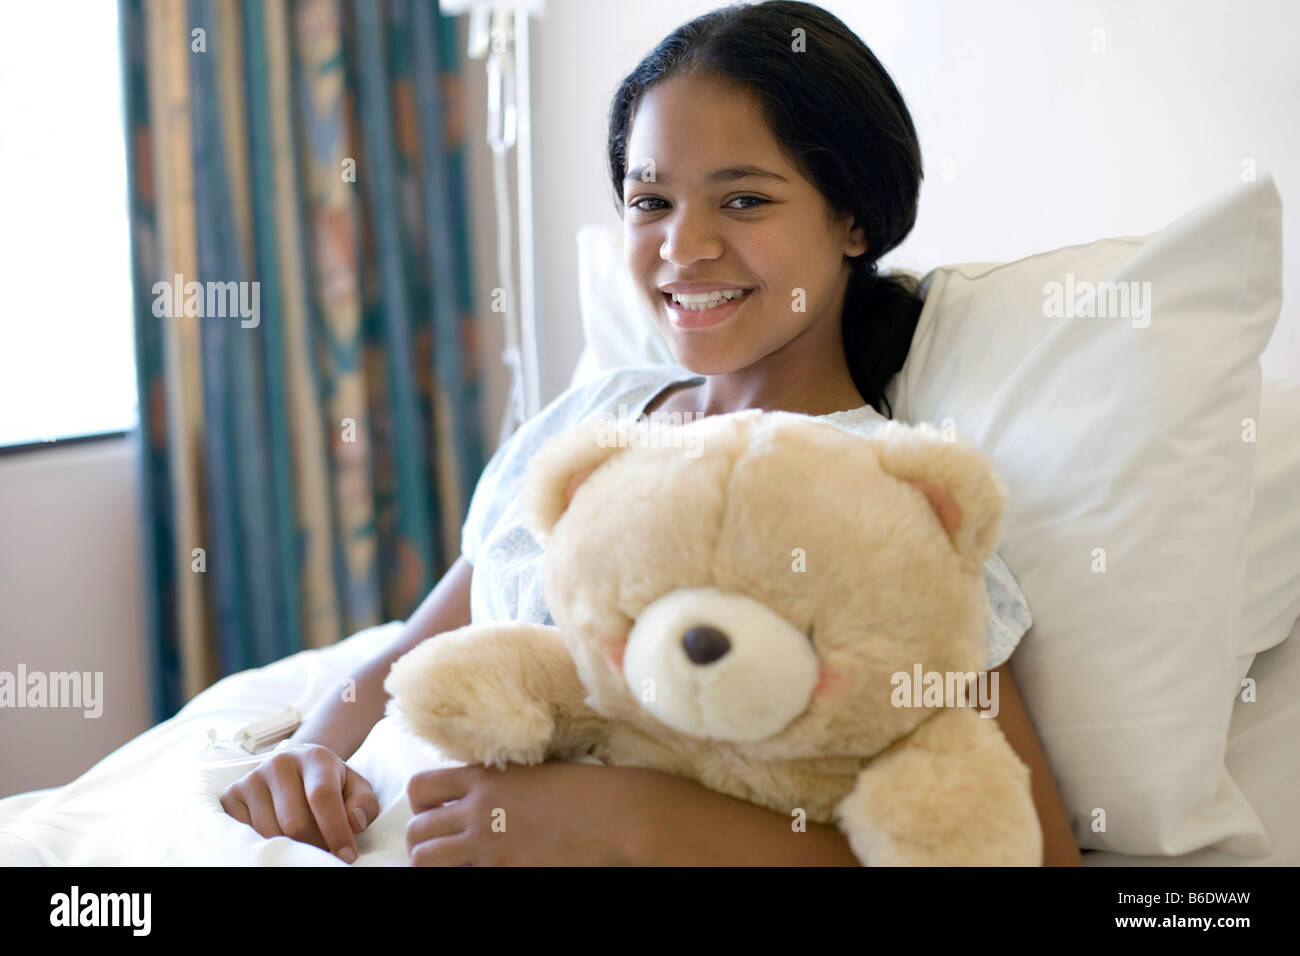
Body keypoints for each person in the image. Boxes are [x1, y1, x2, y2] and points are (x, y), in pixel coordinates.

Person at [221, 0, 1082, 866]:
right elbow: (407, 656)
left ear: (854, 219)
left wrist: (643, 825)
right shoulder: (589, 422)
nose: (684, 246)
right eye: (651, 200)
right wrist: (314, 753)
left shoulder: (882, 503)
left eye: (744, 199)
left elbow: (1030, 852)